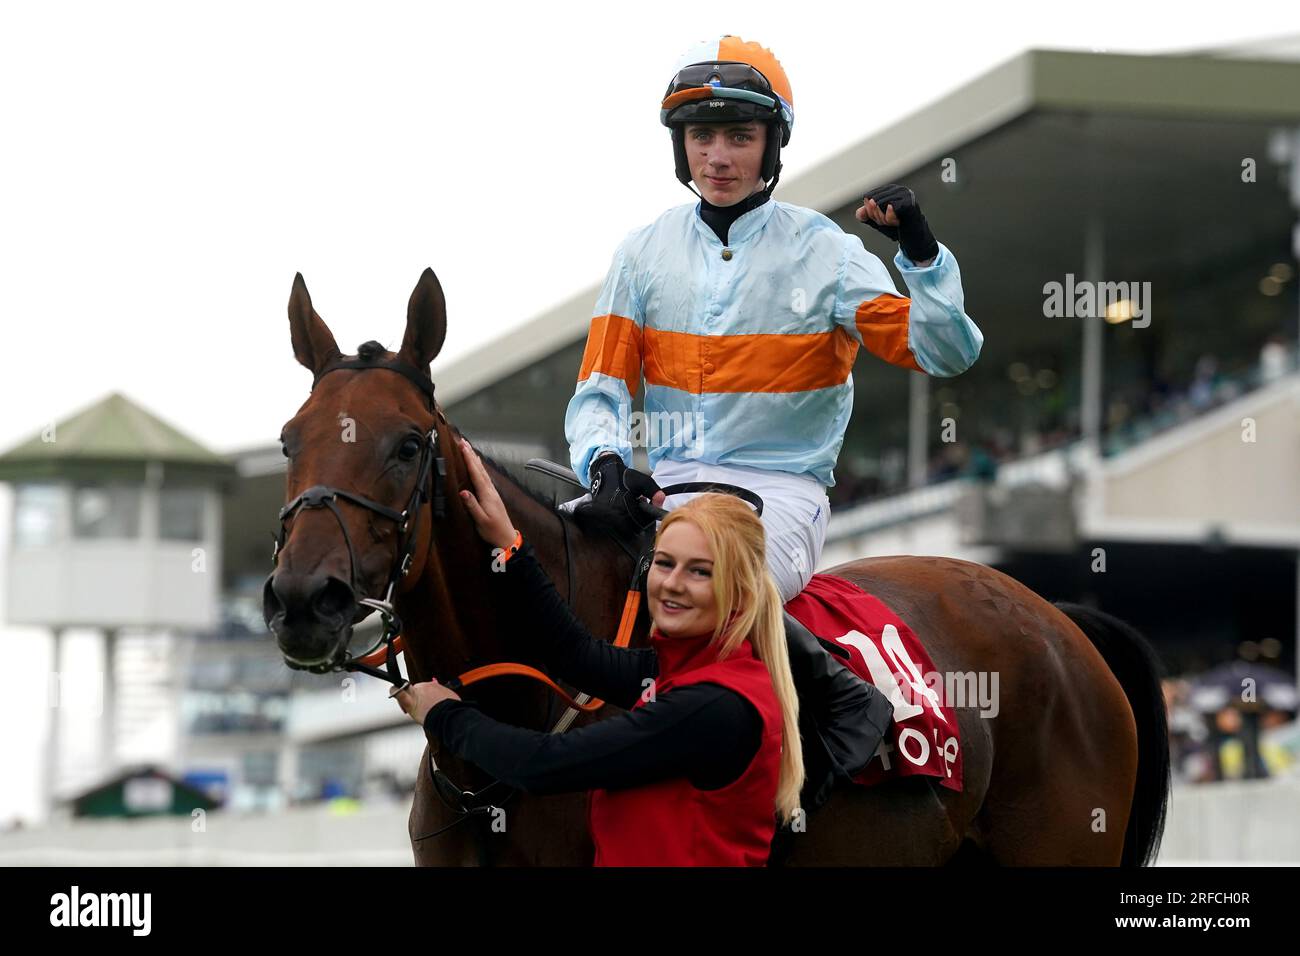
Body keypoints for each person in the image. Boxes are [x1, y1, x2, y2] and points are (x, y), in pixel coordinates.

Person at [561, 35, 980, 797]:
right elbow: (600, 390)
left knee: (712, 579)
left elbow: (944, 352)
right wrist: (605, 463)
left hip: (778, 494)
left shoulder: (827, 252)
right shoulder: (642, 252)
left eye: (740, 137)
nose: (719, 156)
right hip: (670, 482)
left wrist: (921, 253)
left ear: (772, 145)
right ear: (682, 148)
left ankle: (837, 706)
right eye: (702, 137)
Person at [395, 437, 809, 866]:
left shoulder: (713, 705)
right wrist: (510, 544)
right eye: (665, 563)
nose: (672, 583)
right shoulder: (684, 670)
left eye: (700, 571)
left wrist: (445, 716)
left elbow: (545, 765)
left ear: (739, 590)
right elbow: (577, 655)